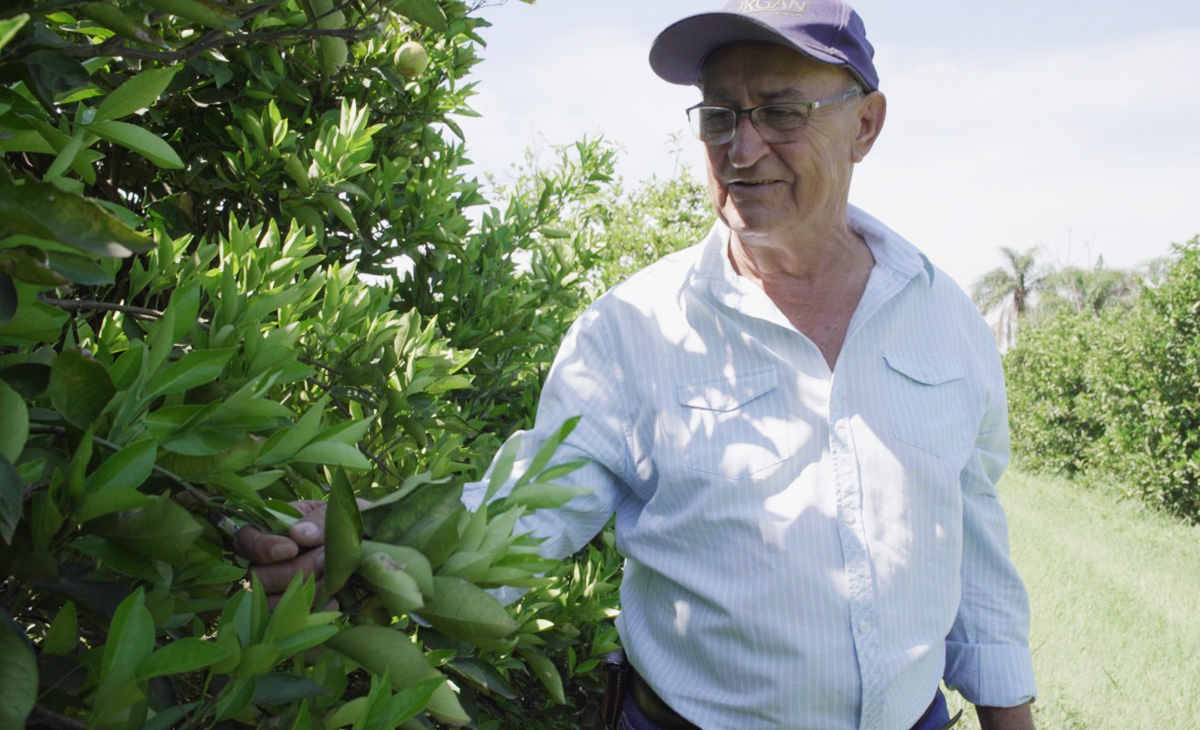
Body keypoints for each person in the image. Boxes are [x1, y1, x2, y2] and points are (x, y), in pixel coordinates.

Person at [236, 1, 1038, 728]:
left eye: (782, 113)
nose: (742, 147)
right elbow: (526, 512)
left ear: (866, 124)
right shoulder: (631, 330)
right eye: (720, 116)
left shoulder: (943, 319)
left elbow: (971, 547)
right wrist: (367, 543)